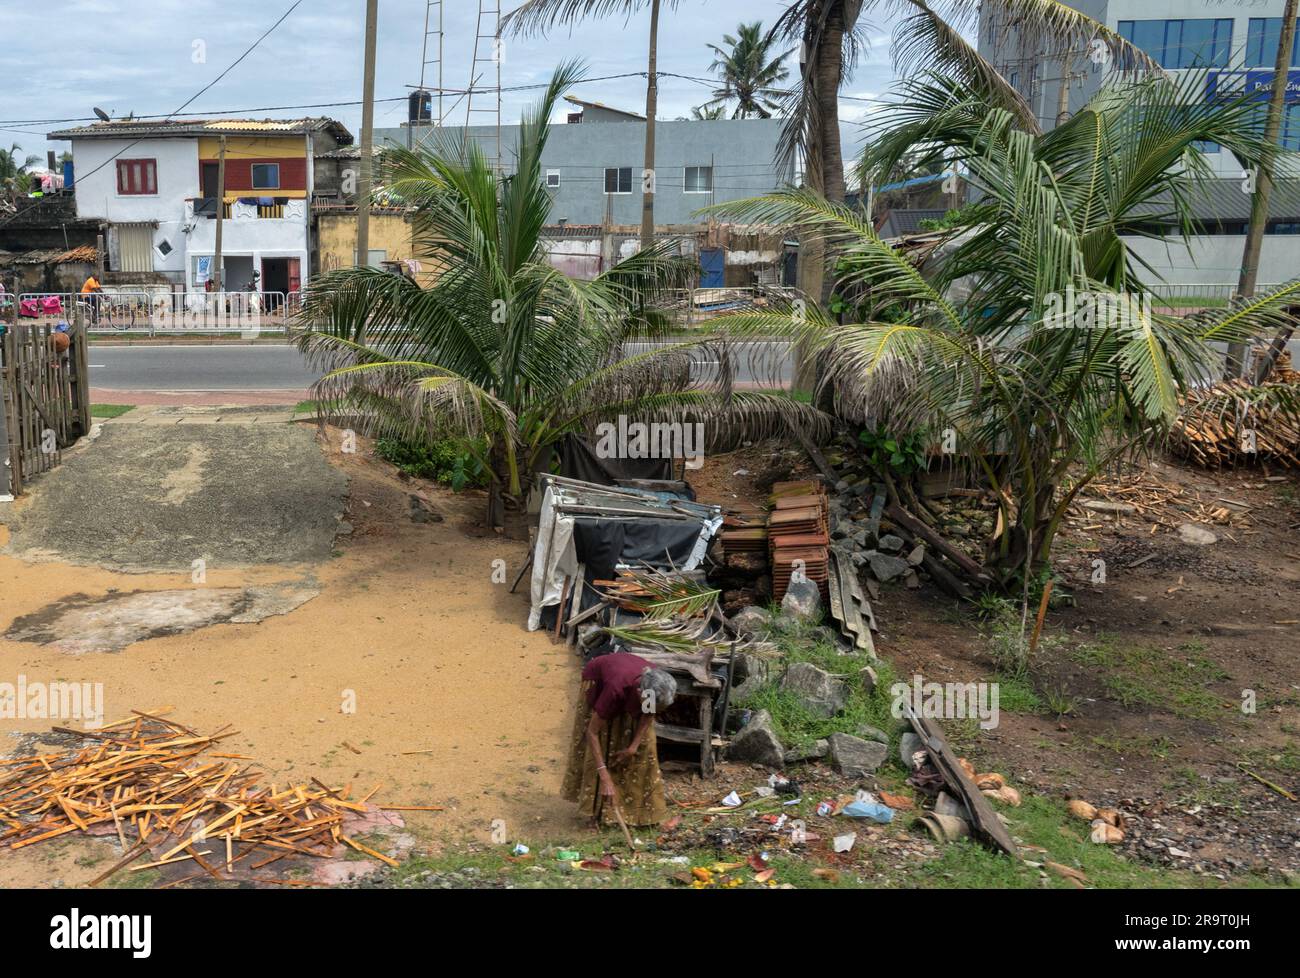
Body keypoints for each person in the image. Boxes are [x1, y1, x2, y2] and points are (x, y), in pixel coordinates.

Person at [562, 652, 677, 828]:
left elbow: (648, 714)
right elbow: (591, 732)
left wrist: (633, 746)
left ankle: (639, 813)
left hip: (626, 681)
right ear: (639, 692)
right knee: (604, 739)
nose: (651, 706)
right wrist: (605, 776)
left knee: (645, 747)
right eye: (647, 701)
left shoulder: (653, 687)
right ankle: (597, 813)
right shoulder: (615, 690)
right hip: (600, 681)